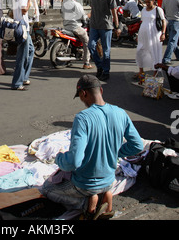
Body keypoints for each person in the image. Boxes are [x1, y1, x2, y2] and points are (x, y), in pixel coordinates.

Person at [41, 74, 144, 219]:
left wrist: (59, 158)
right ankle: (103, 195)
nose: (82, 100)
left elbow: (74, 161)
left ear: (84, 93)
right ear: (101, 90)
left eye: (81, 96)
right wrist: (115, 152)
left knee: (46, 189)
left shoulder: (82, 118)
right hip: (109, 180)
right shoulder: (120, 113)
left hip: (85, 184)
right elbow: (137, 145)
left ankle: (85, 204)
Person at [88, 0, 121, 81]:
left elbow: (114, 11)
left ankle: (106, 71)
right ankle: (100, 66)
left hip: (106, 26)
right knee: (91, 46)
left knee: (106, 50)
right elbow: (93, 9)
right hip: (94, 25)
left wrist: (117, 26)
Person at [135, 0, 166, 80]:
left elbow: (164, 22)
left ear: (153, 1)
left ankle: (154, 74)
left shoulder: (158, 10)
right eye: (146, 2)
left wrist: (163, 33)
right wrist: (138, 34)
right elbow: (142, 22)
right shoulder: (144, 10)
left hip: (154, 35)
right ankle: (141, 71)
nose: (147, 4)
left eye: (149, 2)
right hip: (143, 35)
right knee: (140, 52)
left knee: (154, 53)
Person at [11, 0, 34, 91]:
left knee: (30, 50)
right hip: (23, 27)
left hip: (20, 25)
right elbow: (24, 9)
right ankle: (17, 83)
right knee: (22, 55)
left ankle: (24, 77)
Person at [62, 0, 92, 69]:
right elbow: (83, 17)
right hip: (75, 27)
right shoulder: (77, 5)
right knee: (87, 41)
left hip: (66, 26)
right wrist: (88, 15)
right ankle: (86, 62)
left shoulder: (64, 4)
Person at [161, 0, 179, 65]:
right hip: (176, 21)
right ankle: (166, 58)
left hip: (168, 20)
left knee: (173, 39)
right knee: (173, 40)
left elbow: (163, 9)